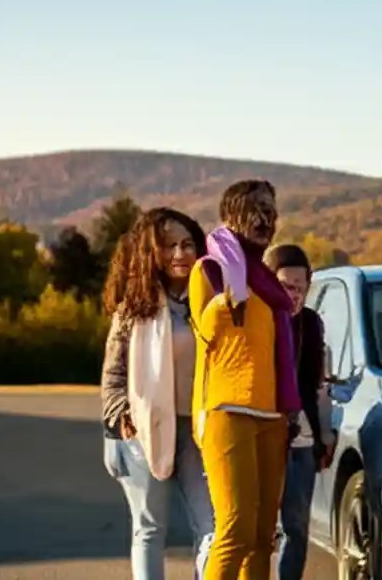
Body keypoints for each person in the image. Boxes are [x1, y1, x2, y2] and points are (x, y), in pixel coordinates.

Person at [189, 179, 301, 580]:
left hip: (272, 415)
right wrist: (229, 295)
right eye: (256, 210)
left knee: (262, 537)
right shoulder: (210, 269)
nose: (266, 219)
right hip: (227, 409)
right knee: (235, 531)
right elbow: (205, 332)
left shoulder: (268, 282)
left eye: (271, 211)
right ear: (230, 216)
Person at [100, 207, 216, 580]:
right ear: (152, 252)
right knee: (149, 529)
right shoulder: (134, 308)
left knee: (212, 527)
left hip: (202, 430)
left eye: (187, 244)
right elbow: (114, 374)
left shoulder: (212, 302)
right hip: (145, 429)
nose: (180, 254)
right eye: (169, 246)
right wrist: (119, 419)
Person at [264, 244, 336, 580]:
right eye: (284, 286)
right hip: (262, 433)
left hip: (301, 438)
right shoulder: (258, 320)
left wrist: (324, 435)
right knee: (256, 527)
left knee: (296, 525)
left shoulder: (311, 323)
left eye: (299, 287)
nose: (292, 295)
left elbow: (318, 383)